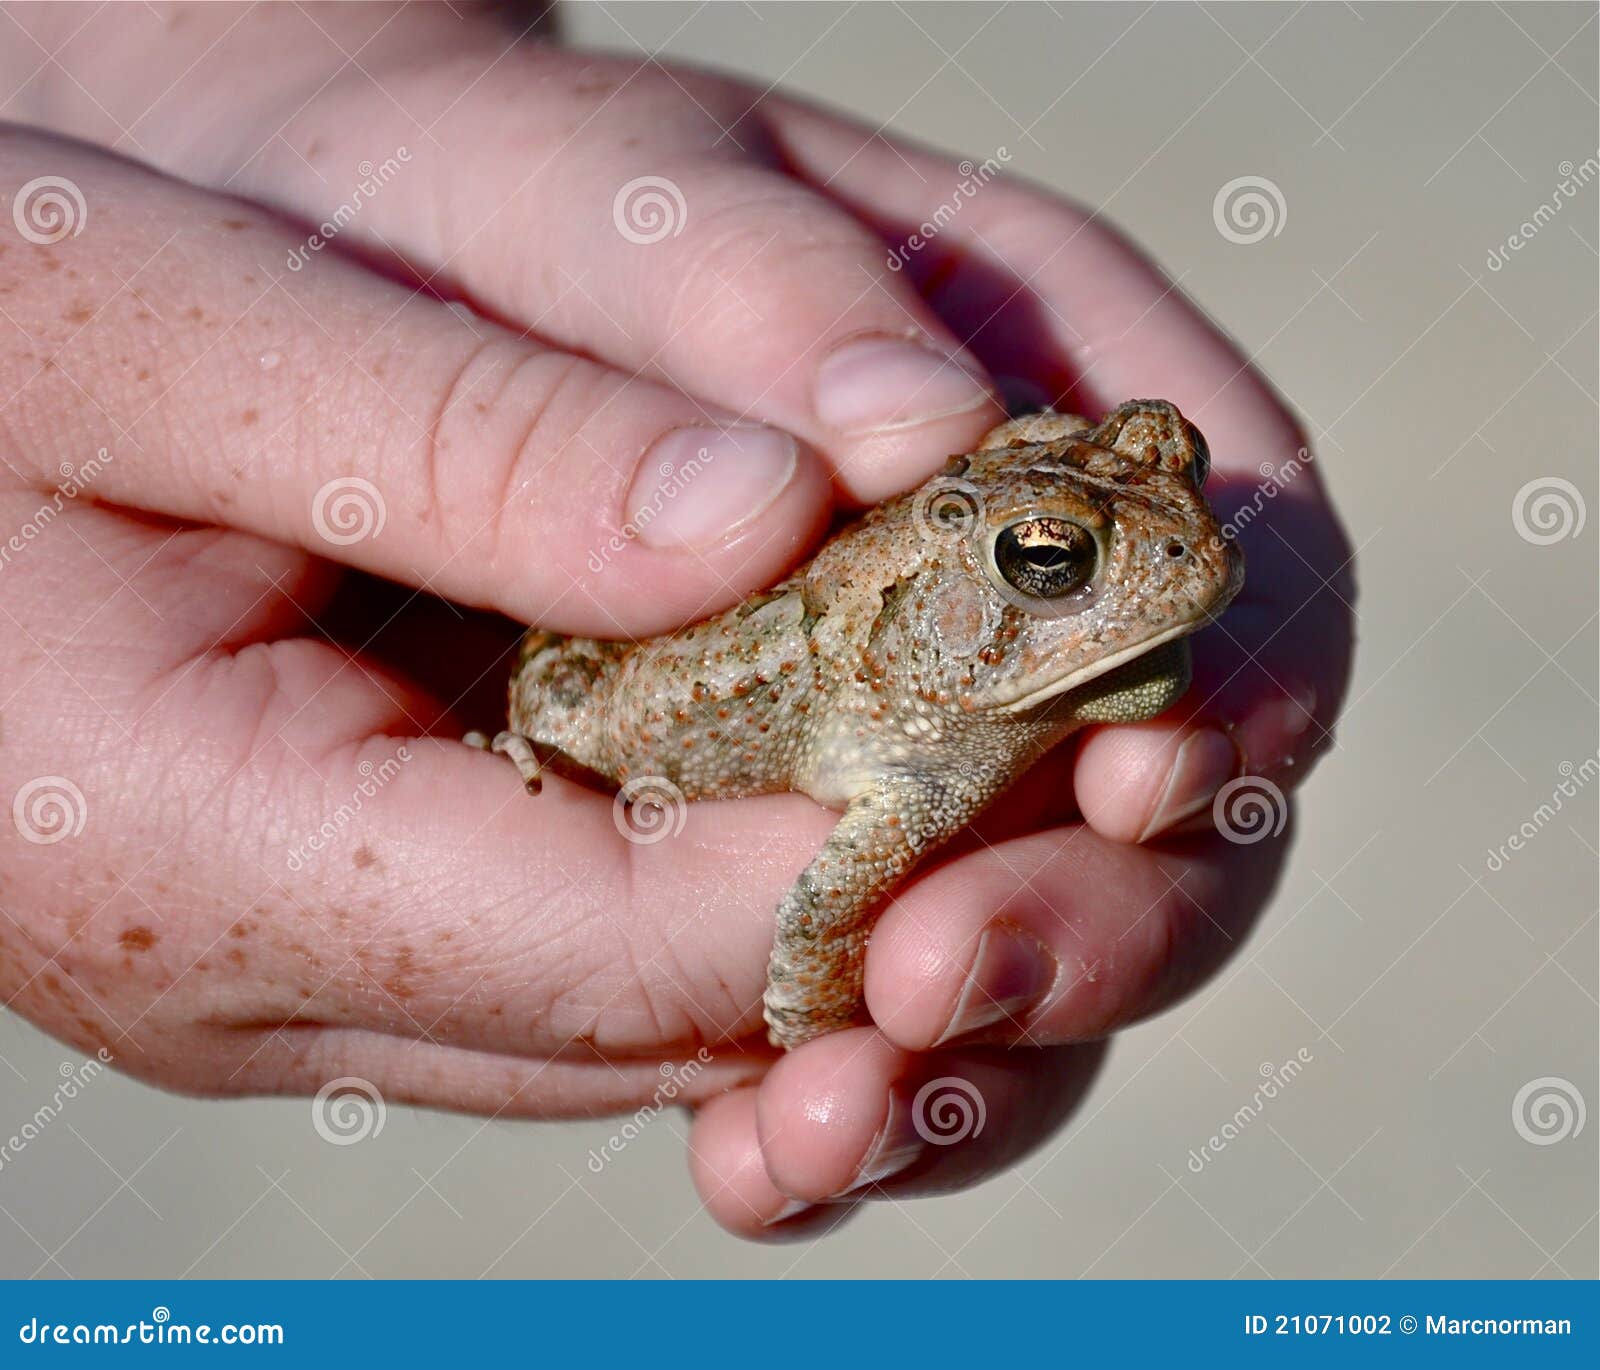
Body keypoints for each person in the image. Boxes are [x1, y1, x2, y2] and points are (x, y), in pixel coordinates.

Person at [0, 2, 1351, 1240]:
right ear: (987, 582)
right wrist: (807, 1030)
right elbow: (822, 913)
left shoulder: (1025, 641)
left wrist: (334, 63)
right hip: (661, 676)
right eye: (1055, 557)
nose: (1191, 534)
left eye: (1167, 460)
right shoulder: (907, 730)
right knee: (587, 714)